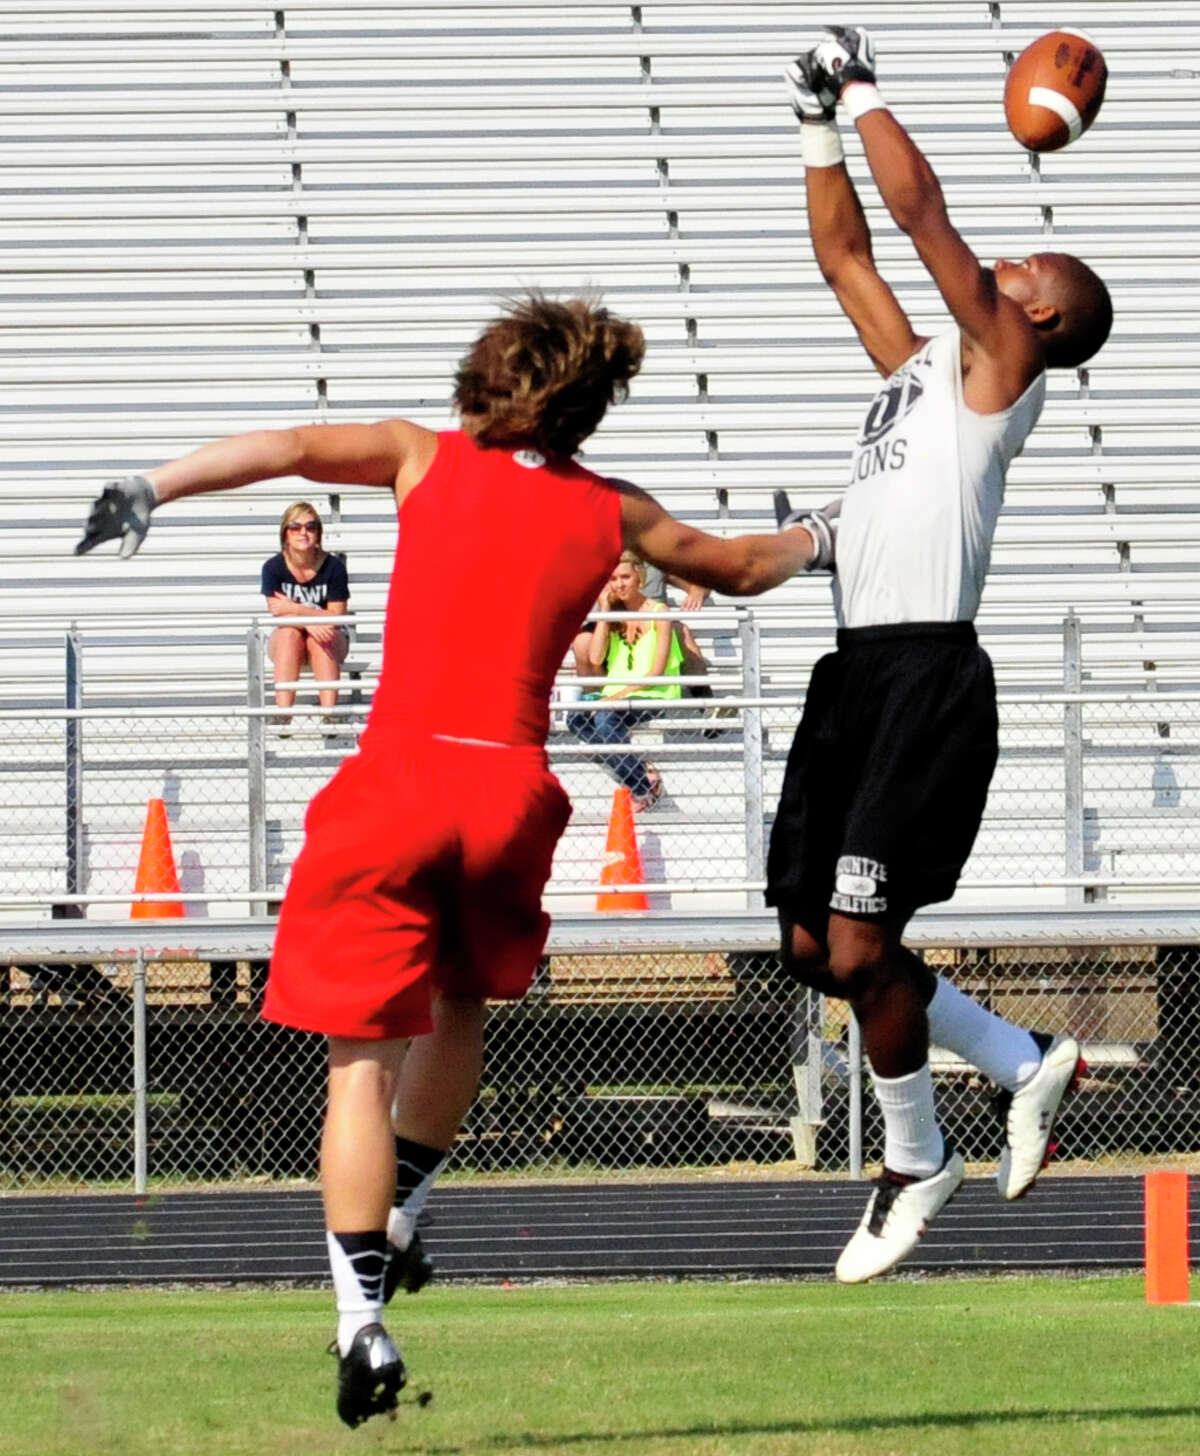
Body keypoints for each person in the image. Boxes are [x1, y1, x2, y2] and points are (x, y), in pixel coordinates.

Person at [75, 292, 837, 1427]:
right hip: (510, 792)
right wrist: (829, 532)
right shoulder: (608, 507)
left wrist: (152, 484)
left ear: (490, 374)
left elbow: (283, 447)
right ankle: (411, 1217)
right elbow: (731, 566)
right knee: (462, 1008)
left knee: (358, 1065)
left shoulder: (420, 457)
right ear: (583, 404)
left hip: (400, 780)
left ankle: (361, 1322)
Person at [771, 29, 1113, 1284]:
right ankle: (1022, 1059)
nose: (1006, 264)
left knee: (859, 948)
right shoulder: (925, 371)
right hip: (856, 669)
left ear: (1043, 311)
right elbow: (847, 251)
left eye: (1026, 266)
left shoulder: (1009, 360)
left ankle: (917, 1158)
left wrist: (863, 85)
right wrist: (813, 121)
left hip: (925, 677)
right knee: (812, 946)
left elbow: (922, 218)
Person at [566, 550, 683, 810]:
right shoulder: (613, 614)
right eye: (614, 579)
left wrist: (617, 696)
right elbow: (595, 659)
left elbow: (656, 673)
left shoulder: (659, 612)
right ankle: (641, 772)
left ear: (639, 577)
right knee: (575, 718)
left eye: (626, 577)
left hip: (653, 693)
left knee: (605, 719)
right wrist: (605, 611)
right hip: (617, 694)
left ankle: (641, 789)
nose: (619, 584)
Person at [260, 501, 350, 727]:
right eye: (295, 526)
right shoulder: (273, 567)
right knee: (290, 634)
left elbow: (337, 618)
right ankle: (283, 715)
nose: (303, 532)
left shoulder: (334, 567)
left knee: (322, 638)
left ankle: (330, 714)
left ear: (319, 532)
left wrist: (298, 610)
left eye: (311, 526)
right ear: (285, 534)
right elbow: (278, 612)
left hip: (330, 636)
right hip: (288, 637)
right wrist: (311, 622)